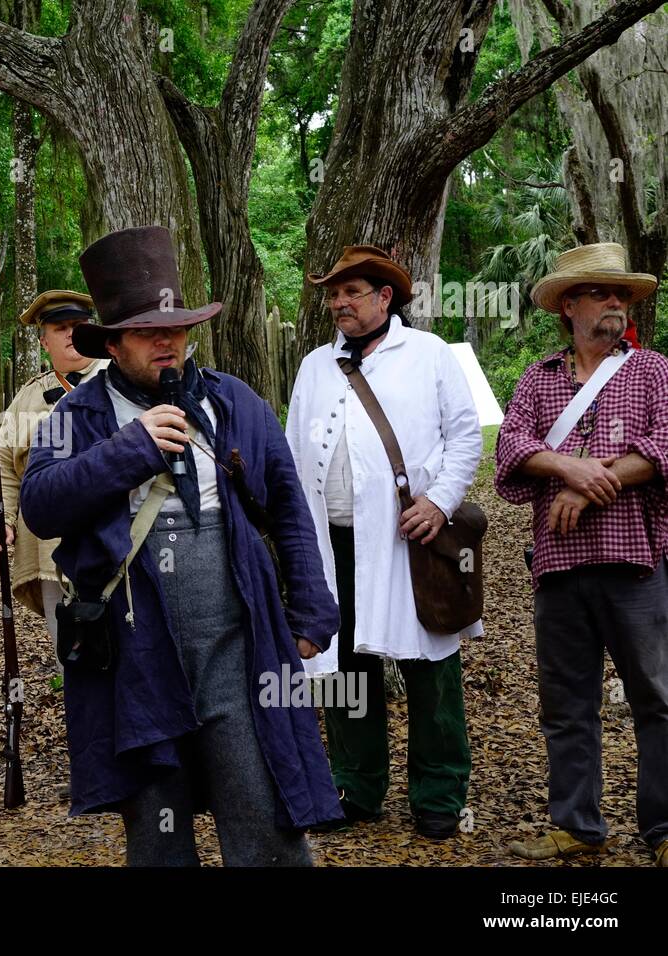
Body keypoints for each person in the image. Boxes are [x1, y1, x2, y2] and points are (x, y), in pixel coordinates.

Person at [21, 226, 341, 866]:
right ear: (111, 343)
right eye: (146, 331)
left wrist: (310, 604)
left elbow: (286, 502)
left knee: (261, 801)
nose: (166, 341)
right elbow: (41, 503)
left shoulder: (231, 400)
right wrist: (130, 450)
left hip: (236, 640)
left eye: (176, 327)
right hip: (135, 651)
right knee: (158, 824)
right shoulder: (77, 415)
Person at [286, 245, 481, 840]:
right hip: (332, 542)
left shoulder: (428, 355)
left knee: (429, 665)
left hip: (407, 539)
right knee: (345, 666)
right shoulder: (317, 364)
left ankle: (440, 792)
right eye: (332, 294)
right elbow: (294, 450)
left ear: (385, 297)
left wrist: (438, 503)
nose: (338, 303)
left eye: (351, 292)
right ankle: (356, 785)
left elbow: (466, 436)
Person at [494, 242, 667, 867]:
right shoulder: (538, 379)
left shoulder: (653, 373)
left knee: (657, 697)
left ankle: (664, 827)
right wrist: (568, 464)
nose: (616, 302)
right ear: (569, 306)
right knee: (567, 705)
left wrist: (595, 485)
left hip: (636, 562)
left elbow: (663, 445)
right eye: (601, 292)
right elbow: (511, 447)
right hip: (559, 567)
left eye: (621, 293)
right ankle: (577, 826)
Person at [0, 291, 109, 672]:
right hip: (48, 544)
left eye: (78, 326)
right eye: (60, 328)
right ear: (44, 340)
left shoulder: (115, 378)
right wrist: (0, 519)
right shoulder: (27, 397)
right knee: (69, 648)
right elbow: (4, 464)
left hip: (113, 534)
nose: (71, 334)